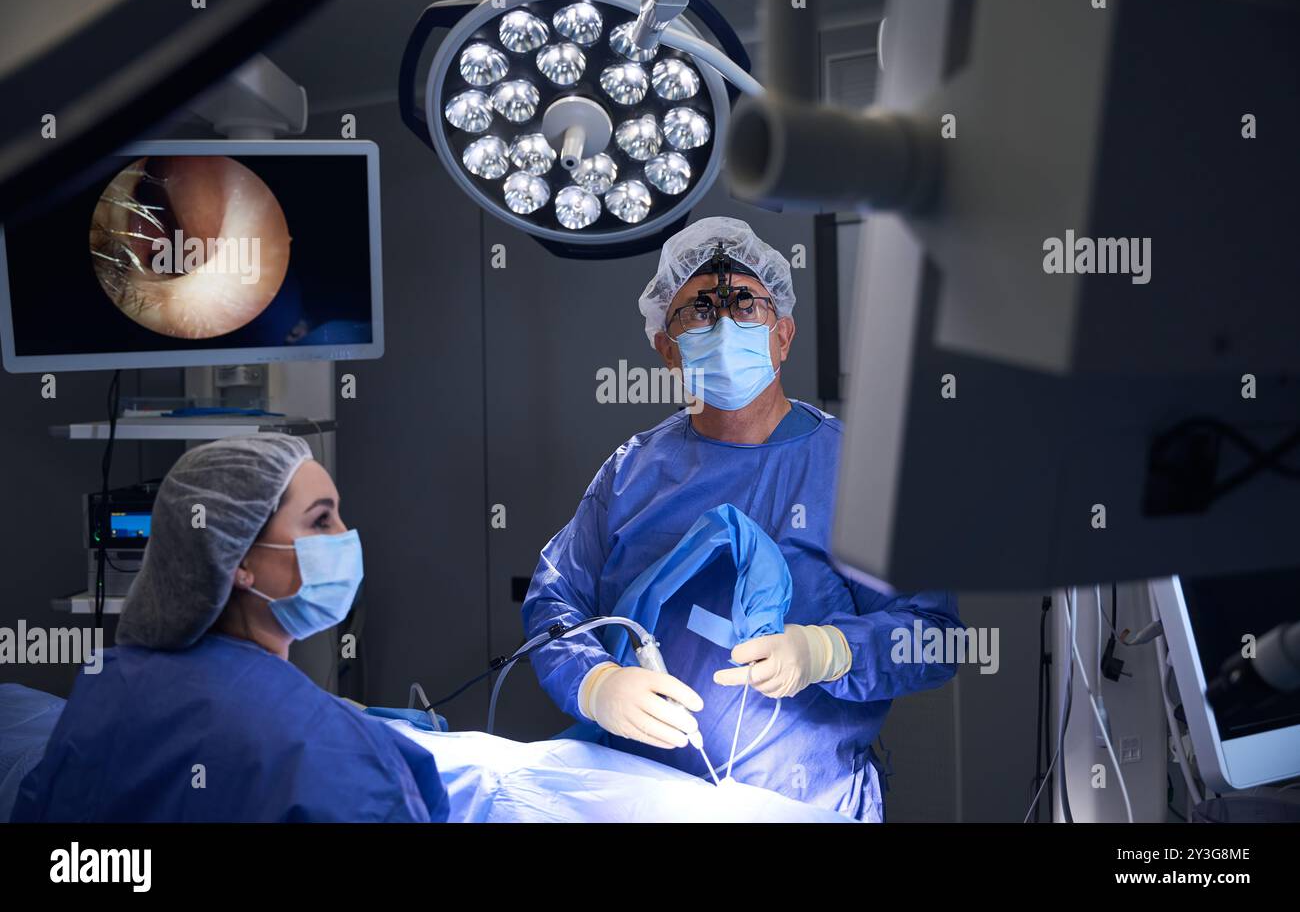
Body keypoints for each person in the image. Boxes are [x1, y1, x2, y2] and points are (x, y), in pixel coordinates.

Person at [522, 216, 962, 821]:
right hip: (641, 794)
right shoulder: (631, 475)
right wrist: (595, 684)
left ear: (782, 336)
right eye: (699, 310)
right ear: (666, 348)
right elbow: (555, 603)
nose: (723, 326)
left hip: (803, 801)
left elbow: (934, 636)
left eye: (745, 307)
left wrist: (827, 650)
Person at [13, 433, 447, 822]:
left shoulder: (107, 686)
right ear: (238, 559)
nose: (344, 534)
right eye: (320, 520)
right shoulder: (340, 756)